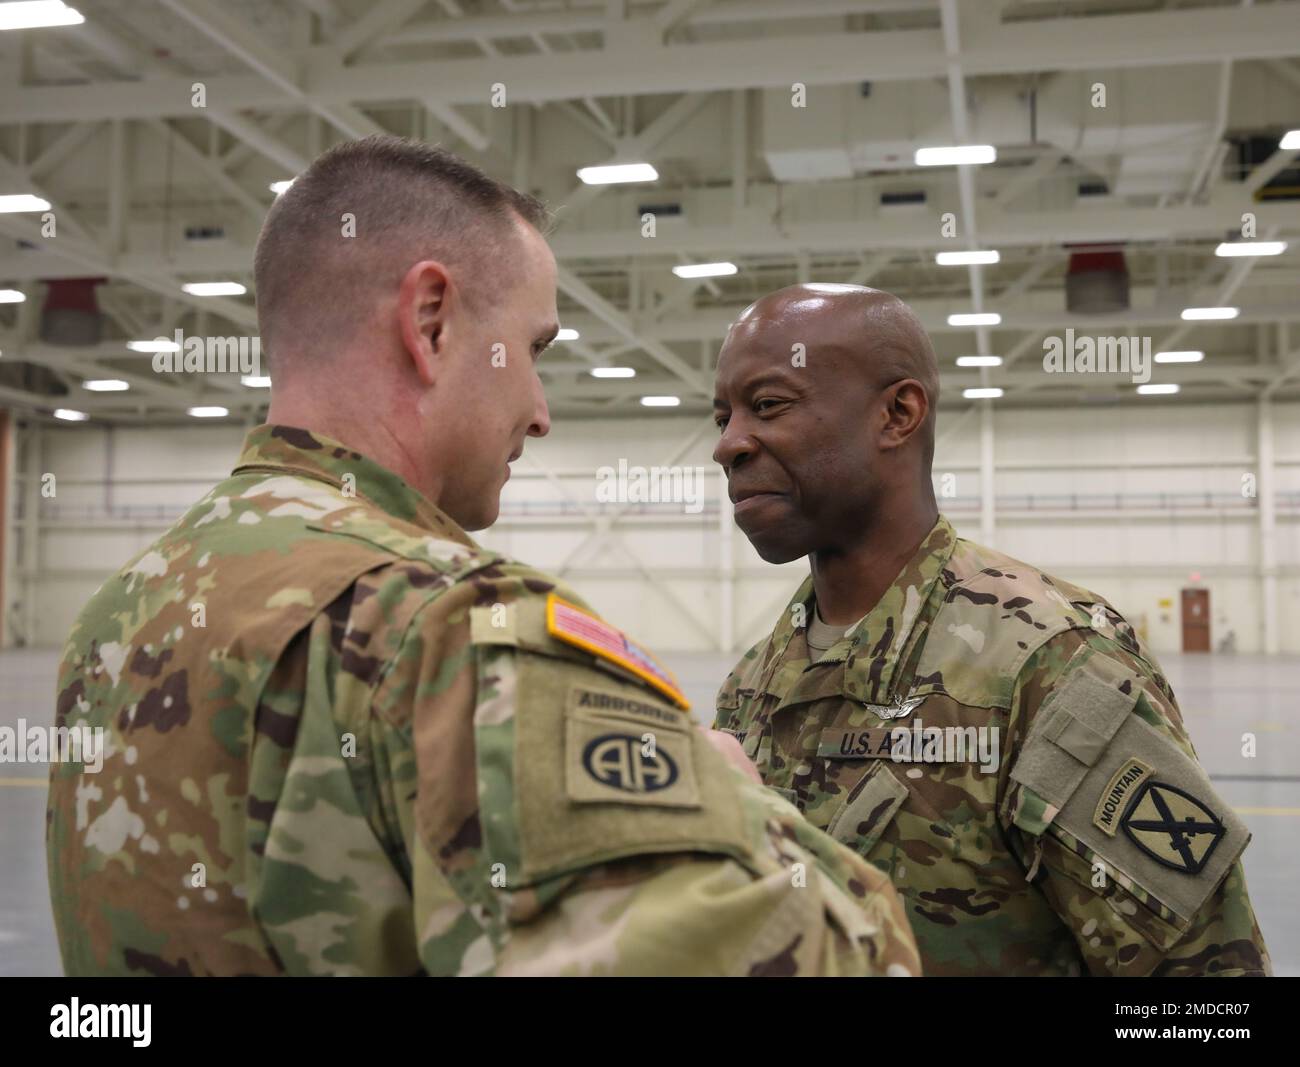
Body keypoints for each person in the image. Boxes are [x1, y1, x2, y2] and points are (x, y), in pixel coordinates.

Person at [46, 139, 920, 977]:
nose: (540, 411)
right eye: (534, 350)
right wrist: (739, 800)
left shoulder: (122, 610)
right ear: (430, 321)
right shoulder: (448, 629)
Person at [710, 282, 1271, 977]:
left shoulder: (1050, 664)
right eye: (722, 416)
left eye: (767, 405)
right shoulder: (753, 684)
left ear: (898, 413)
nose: (728, 444)